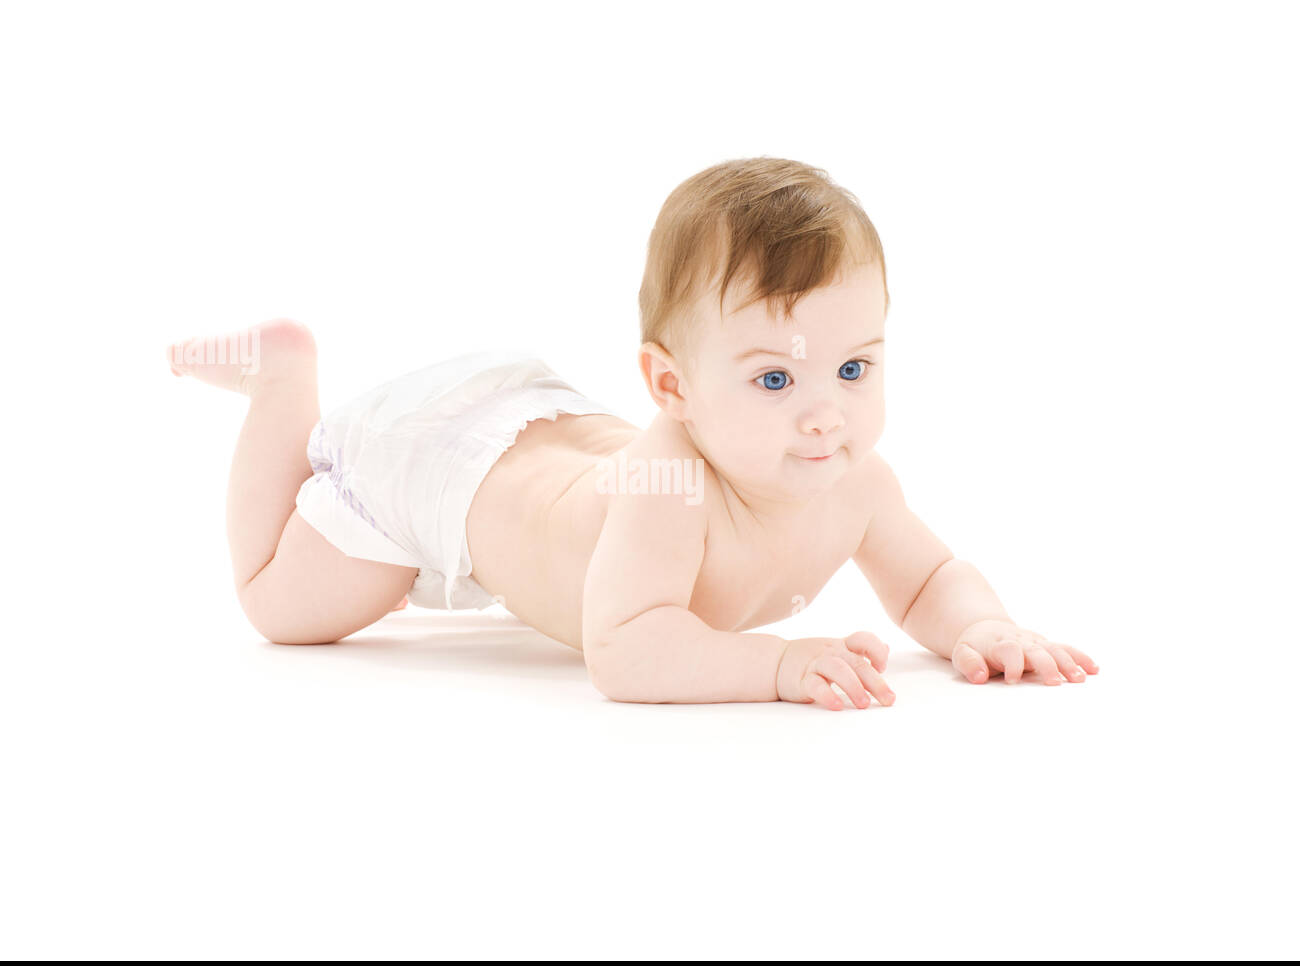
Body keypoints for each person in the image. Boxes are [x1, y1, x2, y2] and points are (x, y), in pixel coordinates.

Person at [168, 156, 1097, 709]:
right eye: (774, 378)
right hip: (440, 473)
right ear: (671, 386)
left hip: (549, 439)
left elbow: (929, 576)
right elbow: (624, 647)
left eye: (854, 369)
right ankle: (281, 383)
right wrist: (776, 667)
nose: (827, 413)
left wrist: (985, 624)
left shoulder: (854, 480)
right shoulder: (674, 485)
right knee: (278, 611)